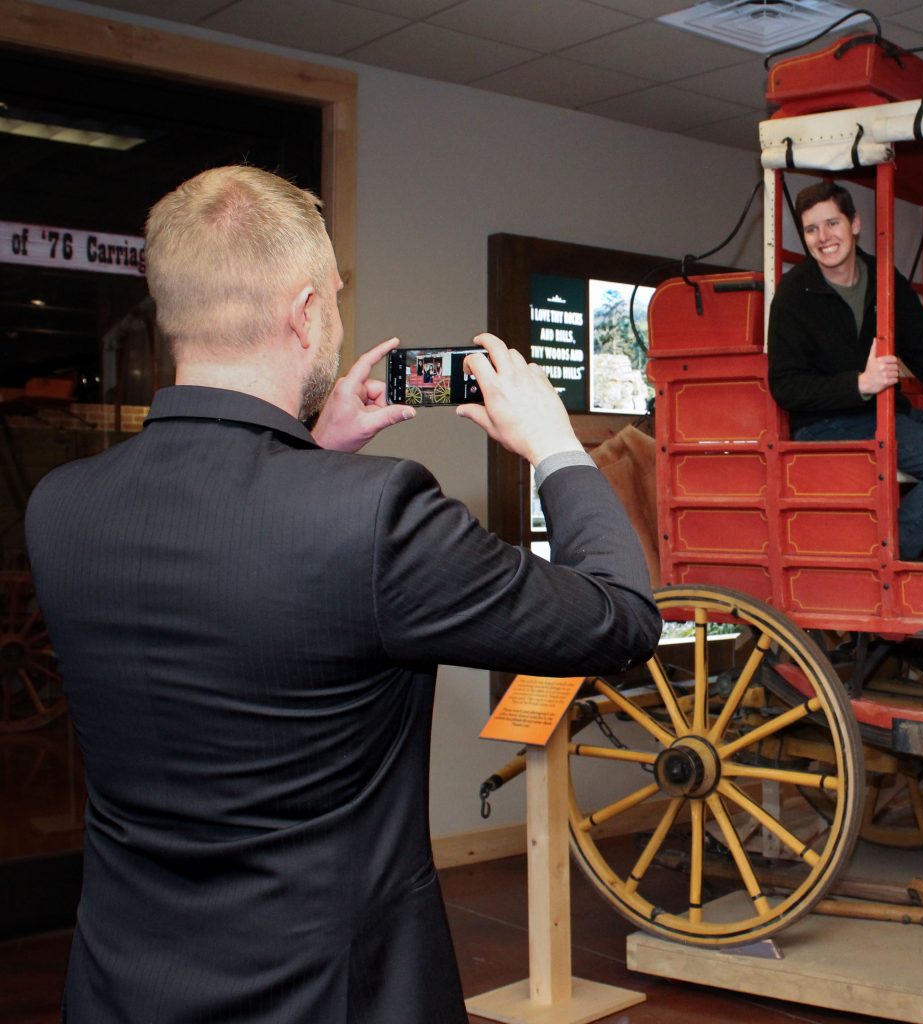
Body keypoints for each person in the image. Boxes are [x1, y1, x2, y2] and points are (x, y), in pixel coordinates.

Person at [24, 166, 661, 1024]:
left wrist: (310, 455)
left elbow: (242, 574)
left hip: (121, 985)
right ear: (303, 312)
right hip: (331, 994)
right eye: (333, 294)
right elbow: (620, 617)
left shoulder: (62, 507)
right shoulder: (376, 513)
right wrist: (557, 449)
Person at [768, 181, 923, 559]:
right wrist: (860, 384)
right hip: (825, 424)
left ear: (854, 224)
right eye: (811, 229)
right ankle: (883, 558)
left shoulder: (884, 280)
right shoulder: (793, 295)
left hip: (884, 413)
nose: (823, 237)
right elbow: (786, 386)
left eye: (832, 224)